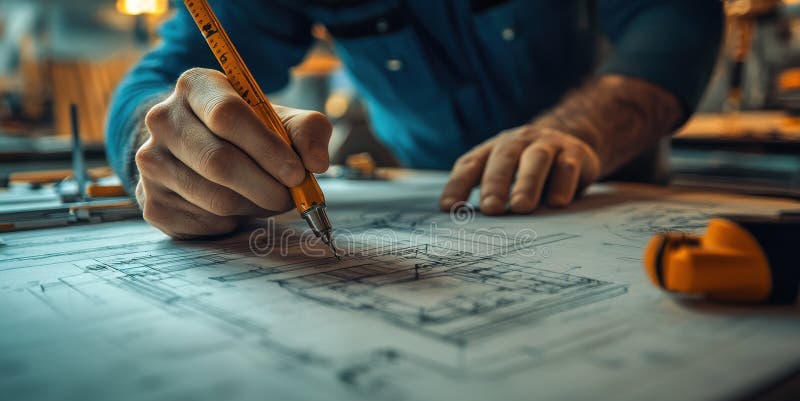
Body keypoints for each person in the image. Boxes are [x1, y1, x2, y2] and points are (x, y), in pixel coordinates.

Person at [107, 0, 722, 239]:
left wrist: (582, 130)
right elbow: (156, 83)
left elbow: (676, 17)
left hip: (612, 188)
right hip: (436, 203)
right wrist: (169, 145)